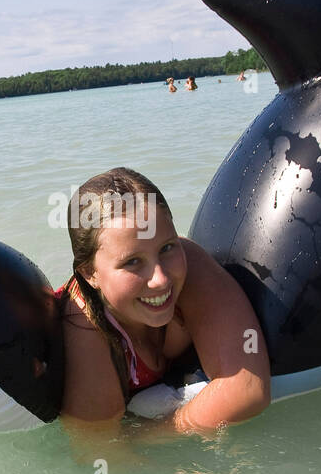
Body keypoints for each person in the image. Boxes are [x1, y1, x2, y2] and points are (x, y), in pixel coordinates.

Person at [53, 168, 270, 451]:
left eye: (167, 247)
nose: (162, 279)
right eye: (132, 262)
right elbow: (99, 449)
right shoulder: (84, 326)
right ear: (90, 273)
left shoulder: (191, 265)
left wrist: (156, 432)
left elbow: (248, 389)